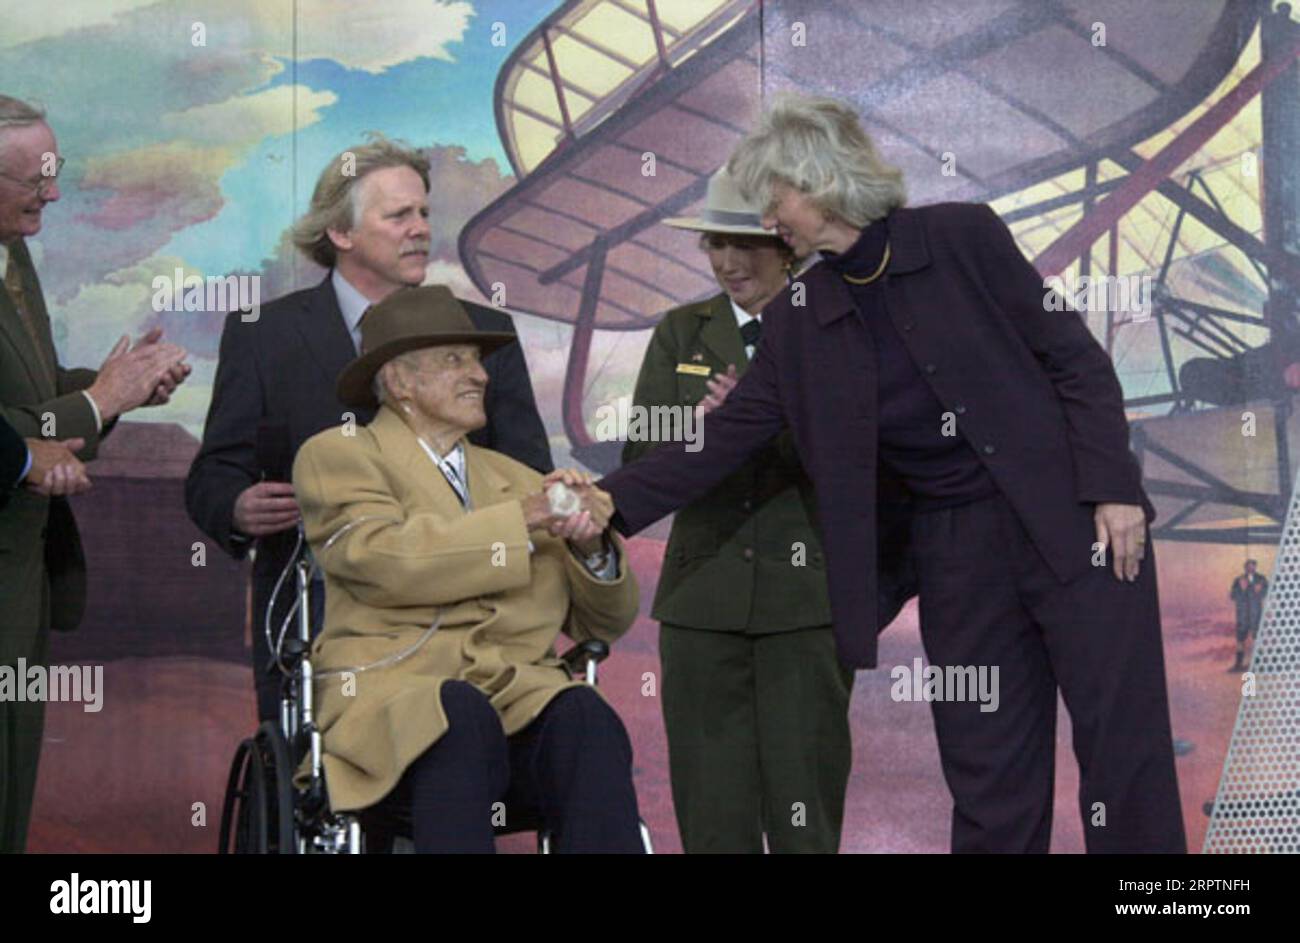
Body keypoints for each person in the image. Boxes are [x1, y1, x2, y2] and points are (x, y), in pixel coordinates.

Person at [599, 93, 1186, 853]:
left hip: (1077, 521)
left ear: (819, 181)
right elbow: (721, 441)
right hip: (956, 557)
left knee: (1124, 751)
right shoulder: (798, 315)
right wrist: (601, 504)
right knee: (988, 770)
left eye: (773, 199)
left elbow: (1074, 358)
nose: (767, 220)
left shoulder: (962, 236)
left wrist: (1114, 488)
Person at [186, 136, 553, 724]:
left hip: (464, 626)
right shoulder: (264, 334)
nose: (421, 229)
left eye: (424, 212)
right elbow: (214, 472)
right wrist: (235, 506)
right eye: (399, 215)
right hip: (313, 623)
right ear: (340, 232)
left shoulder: (487, 334)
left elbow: (528, 473)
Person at [293, 285, 643, 853]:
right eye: (455, 360)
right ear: (399, 381)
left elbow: (600, 626)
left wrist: (591, 546)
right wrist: (523, 519)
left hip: (514, 702)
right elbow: (383, 559)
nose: (480, 375)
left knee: (584, 714)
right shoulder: (340, 455)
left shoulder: (519, 478)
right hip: (393, 704)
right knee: (456, 713)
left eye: (478, 361)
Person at [624, 166, 848, 853]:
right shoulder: (680, 332)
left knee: (805, 814)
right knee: (713, 816)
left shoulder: (837, 328)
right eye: (715, 244)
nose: (727, 261)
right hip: (701, 606)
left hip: (806, 606)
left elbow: (858, 463)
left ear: (787, 245)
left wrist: (759, 418)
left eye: (745, 243)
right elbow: (641, 460)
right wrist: (701, 428)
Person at [1, 93, 190, 853]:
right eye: (34, 179)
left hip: (23, 583)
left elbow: (31, 399)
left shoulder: (13, 255)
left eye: (56, 171)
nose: (52, 193)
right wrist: (96, 401)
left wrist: (119, 391)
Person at [1229, 559, 1267, 671]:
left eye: (1252, 566)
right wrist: (1241, 589)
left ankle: (1259, 663)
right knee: (1240, 639)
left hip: (1256, 614)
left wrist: (1260, 591)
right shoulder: (1239, 580)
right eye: (1248, 566)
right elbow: (1232, 596)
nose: (1250, 568)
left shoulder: (1261, 579)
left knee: (1257, 638)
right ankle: (1238, 664)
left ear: (1255, 567)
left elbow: (1268, 592)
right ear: (1245, 567)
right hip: (1243, 615)